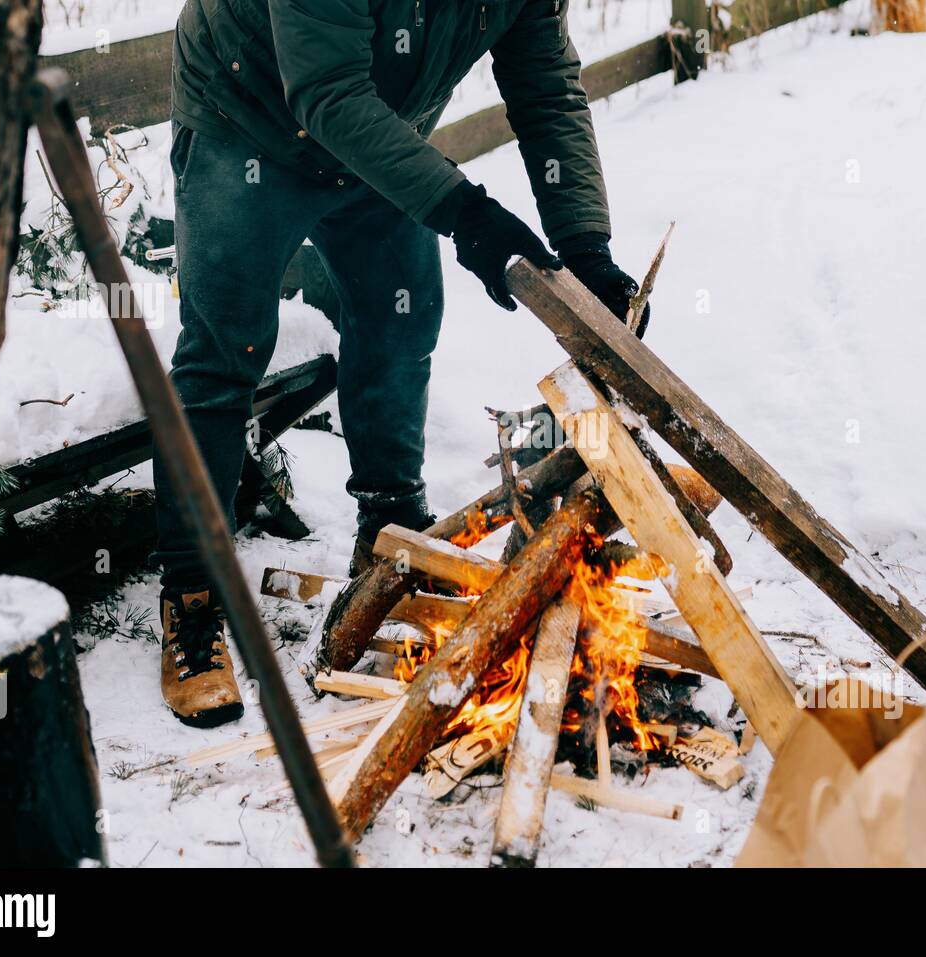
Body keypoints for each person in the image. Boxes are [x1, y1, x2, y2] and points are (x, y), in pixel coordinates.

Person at [153, 0, 648, 726]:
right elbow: (326, 91)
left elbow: (545, 86)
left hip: (375, 126)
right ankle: (192, 594)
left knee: (401, 313)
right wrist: (465, 211)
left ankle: (389, 530)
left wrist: (585, 250)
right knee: (225, 351)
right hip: (248, 117)